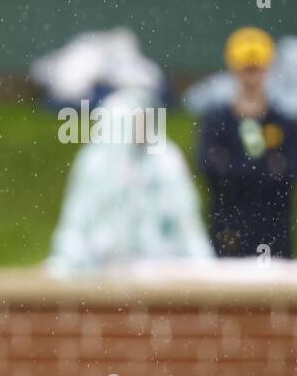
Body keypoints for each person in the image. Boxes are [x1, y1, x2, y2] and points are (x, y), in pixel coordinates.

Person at [47, 89, 214, 275]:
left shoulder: (166, 160)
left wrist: (203, 269)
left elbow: (187, 225)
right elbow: (76, 222)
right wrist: (65, 266)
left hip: (162, 273)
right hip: (100, 272)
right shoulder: (94, 163)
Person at [198, 27, 297, 259]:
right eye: (246, 70)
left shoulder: (286, 125)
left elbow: (290, 175)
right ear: (234, 70)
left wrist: (234, 169)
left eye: (257, 69)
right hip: (228, 237)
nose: (252, 78)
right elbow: (210, 171)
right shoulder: (217, 123)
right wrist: (266, 169)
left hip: (275, 238)